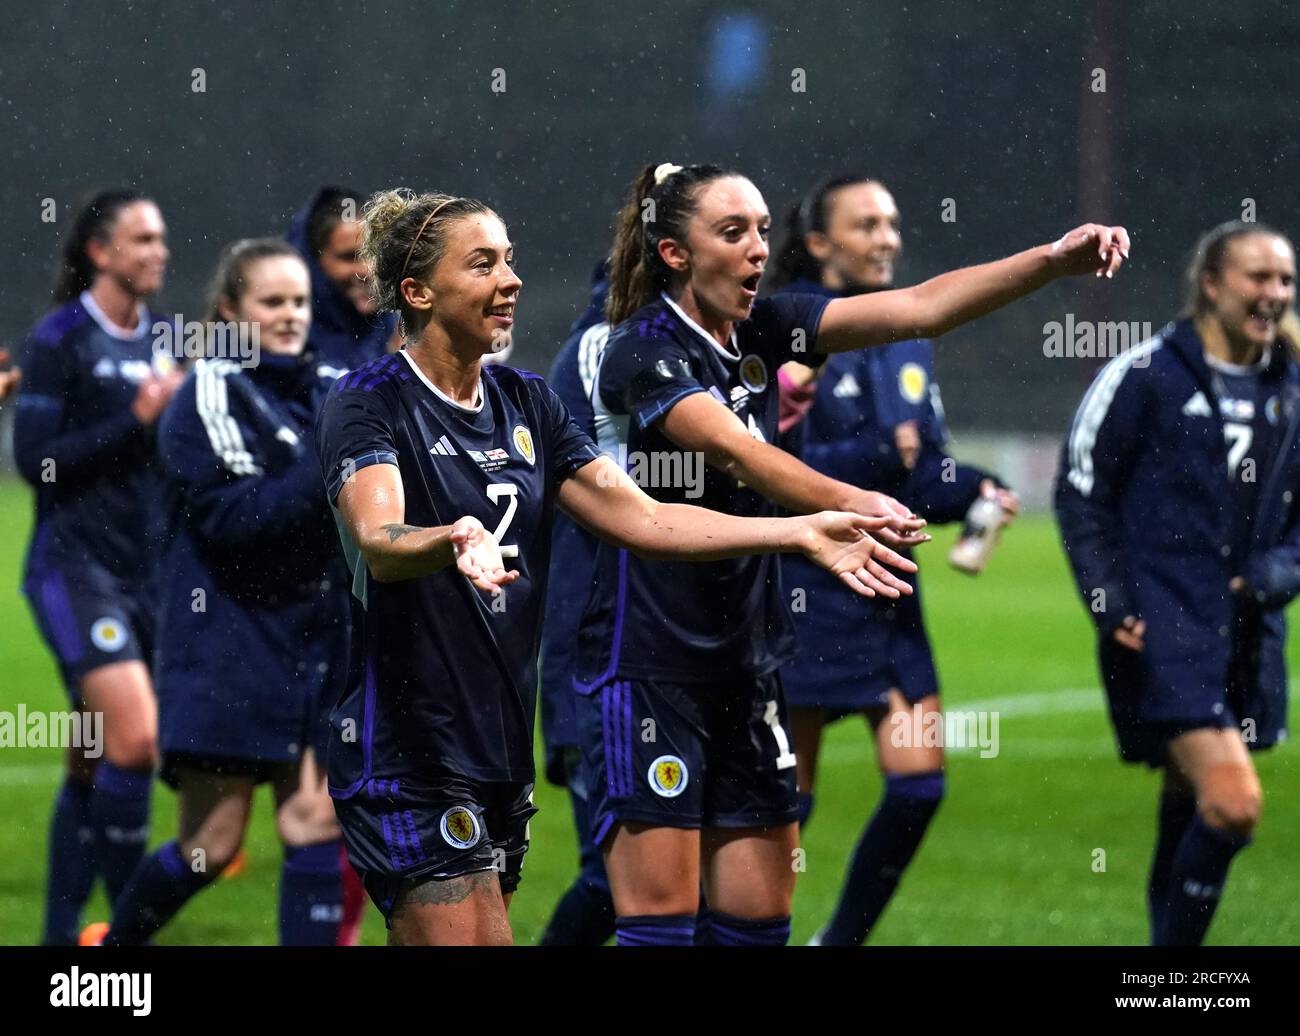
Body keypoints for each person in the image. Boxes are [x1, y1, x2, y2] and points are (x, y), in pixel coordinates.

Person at [314, 187, 917, 946]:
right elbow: (379, 536)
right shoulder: (369, 400)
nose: (511, 279)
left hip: (497, 744)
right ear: (417, 291)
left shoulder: (525, 401)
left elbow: (644, 516)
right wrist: (449, 539)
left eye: (510, 259)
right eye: (483, 264)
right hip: (404, 744)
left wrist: (797, 532)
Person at [574, 161, 1128, 947]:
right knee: (660, 927)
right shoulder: (642, 348)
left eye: (764, 230)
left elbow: (921, 308)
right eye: (732, 233)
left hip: (749, 659)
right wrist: (849, 498)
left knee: (758, 923)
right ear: (673, 252)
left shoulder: (764, 327)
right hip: (650, 664)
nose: (758, 249)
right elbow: (736, 451)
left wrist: (1051, 261)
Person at [767, 173, 1020, 946]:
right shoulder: (786, 329)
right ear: (819, 243)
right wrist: (883, 453)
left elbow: (922, 466)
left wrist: (979, 486)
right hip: (804, 587)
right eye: (867, 224)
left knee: (919, 785)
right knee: (784, 812)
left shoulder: (908, 333)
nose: (889, 238)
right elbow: (775, 465)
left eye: (893, 222)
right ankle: (755, 935)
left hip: (888, 595)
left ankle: (837, 942)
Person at [86, 239, 359, 946]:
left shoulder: (330, 384)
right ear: (231, 311)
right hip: (226, 643)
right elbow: (238, 520)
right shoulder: (207, 391)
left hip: (313, 640)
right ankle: (106, 959)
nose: (291, 315)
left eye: (300, 301)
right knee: (211, 845)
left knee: (316, 819)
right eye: (272, 302)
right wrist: (330, 463)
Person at [1056, 221, 1297, 946]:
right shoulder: (1145, 375)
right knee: (1232, 806)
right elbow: (1082, 492)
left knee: (1189, 804)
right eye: (1258, 277)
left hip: (1250, 631)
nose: (1274, 294)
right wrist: (1111, 600)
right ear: (1212, 284)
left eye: (1285, 280)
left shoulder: (1290, 391)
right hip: (1164, 627)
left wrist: (1278, 573)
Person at [13, 190, 179, 944]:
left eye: (161, 239)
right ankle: (128, 941)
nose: (159, 251)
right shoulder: (61, 339)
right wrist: (135, 424)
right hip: (74, 571)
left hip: (143, 573)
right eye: (142, 239)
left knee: (90, 759)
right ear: (100, 252)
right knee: (136, 743)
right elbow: (35, 462)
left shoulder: (160, 341)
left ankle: (57, 938)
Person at [537, 262, 617, 945]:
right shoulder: (598, 350)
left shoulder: (728, 347)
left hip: (706, 663)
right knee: (617, 881)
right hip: (601, 661)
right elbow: (605, 520)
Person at [288, 186, 399, 370]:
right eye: (350, 257)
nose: (368, 270)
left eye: (376, 253)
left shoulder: (403, 332)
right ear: (312, 261)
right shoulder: (281, 340)